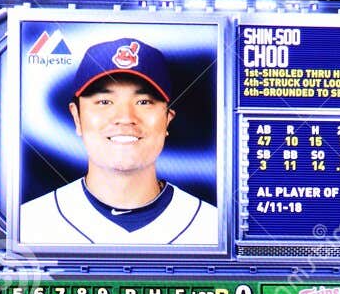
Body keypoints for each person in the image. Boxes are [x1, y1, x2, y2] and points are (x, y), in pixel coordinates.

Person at [19, 38, 218, 246]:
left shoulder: (213, 228)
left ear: (168, 119)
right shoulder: (28, 226)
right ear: (76, 117)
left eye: (144, 102)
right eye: (104, 102)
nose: (124, 117)